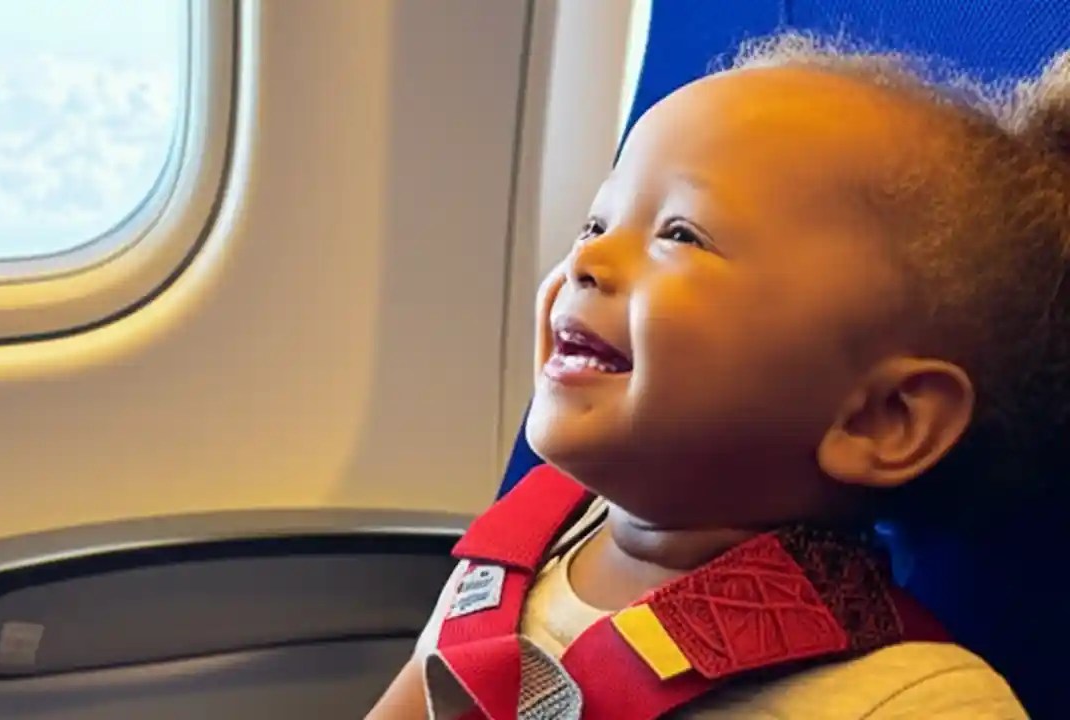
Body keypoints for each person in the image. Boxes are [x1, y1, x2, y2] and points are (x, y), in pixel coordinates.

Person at [368, 32, 1068, 719]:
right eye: (595, 223)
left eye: (681, 234)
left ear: (880, 419)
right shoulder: (513, 565)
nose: (587, 261)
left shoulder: (914, 701)